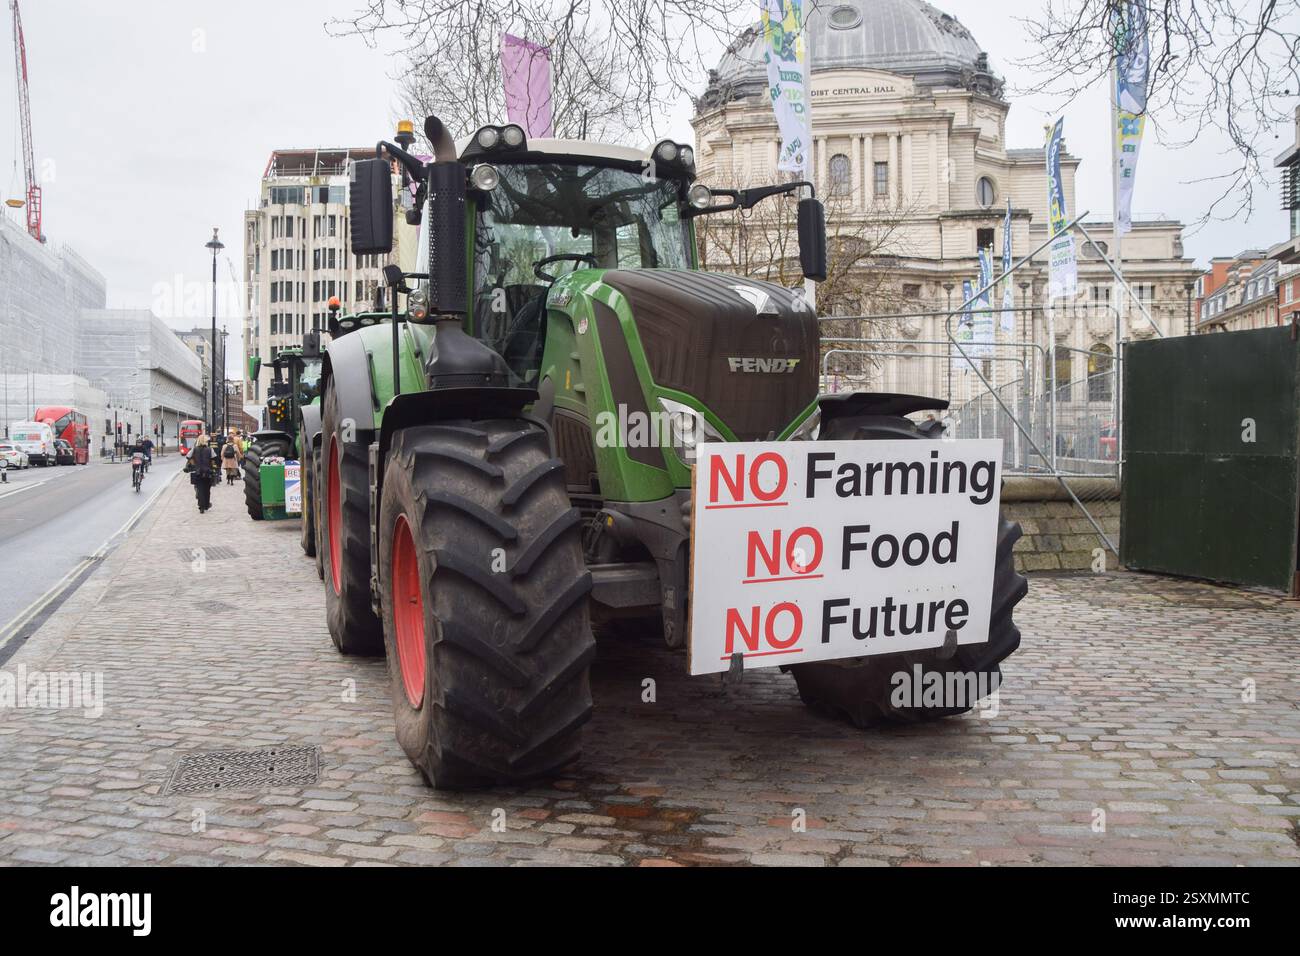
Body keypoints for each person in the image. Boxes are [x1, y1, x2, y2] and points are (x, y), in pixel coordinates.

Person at [188, 433, 215, 513]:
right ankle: (206, 505)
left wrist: (194, 464)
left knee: (200, 489)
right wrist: (212, 466)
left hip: (198, 472)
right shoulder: (210, 449)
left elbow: (188, 457)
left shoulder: (194, 449)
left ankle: (201, 506)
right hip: (207, 472)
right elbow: (213, 459)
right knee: (207, 489)